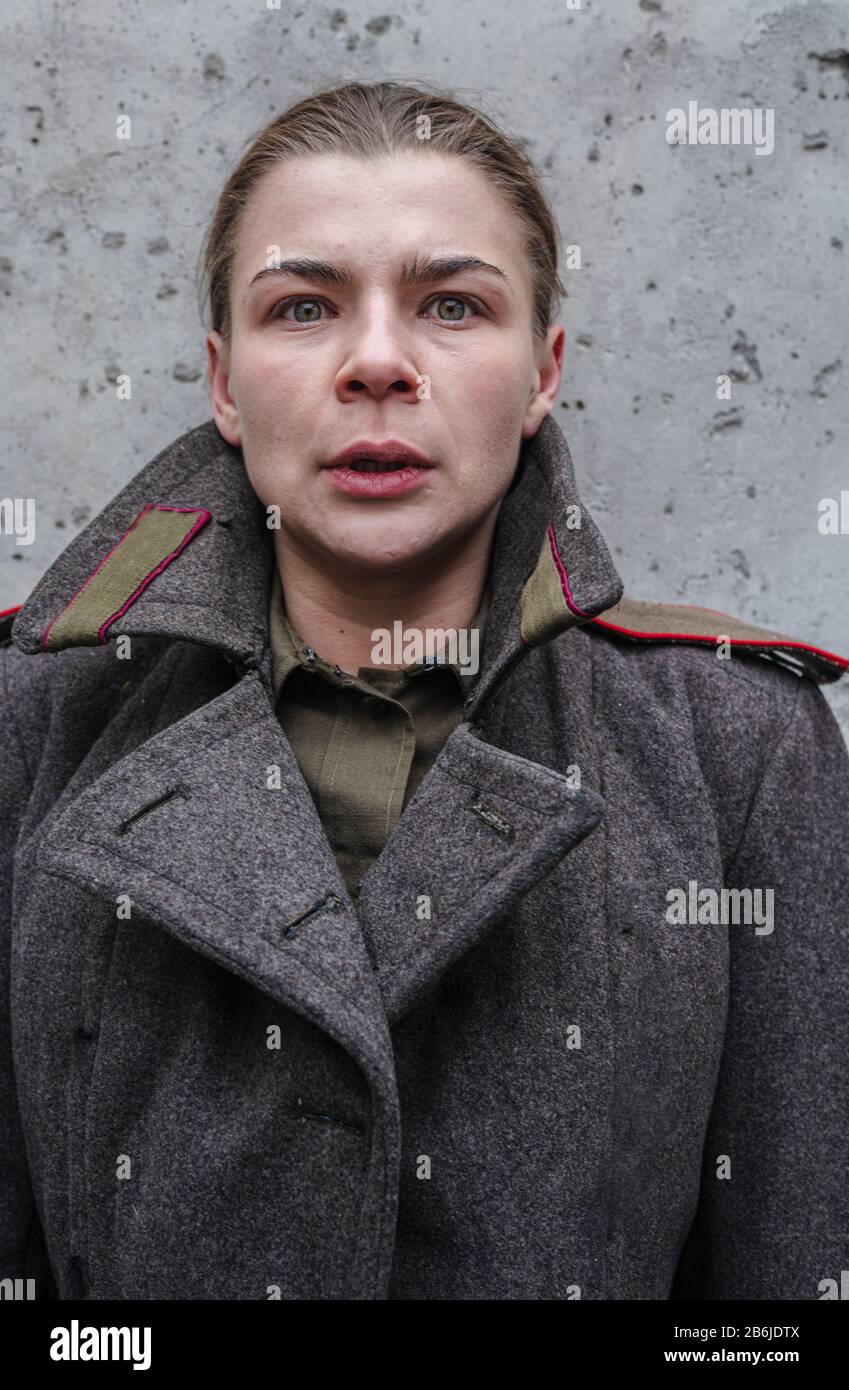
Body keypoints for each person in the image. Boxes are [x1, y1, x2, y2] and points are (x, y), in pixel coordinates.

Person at [1, 79, 847, 1302]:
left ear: (543, 369)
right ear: (224, 383)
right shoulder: (37, 719)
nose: (380, 362)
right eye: (304, 307)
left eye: (453, 304)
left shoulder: (737, 747)